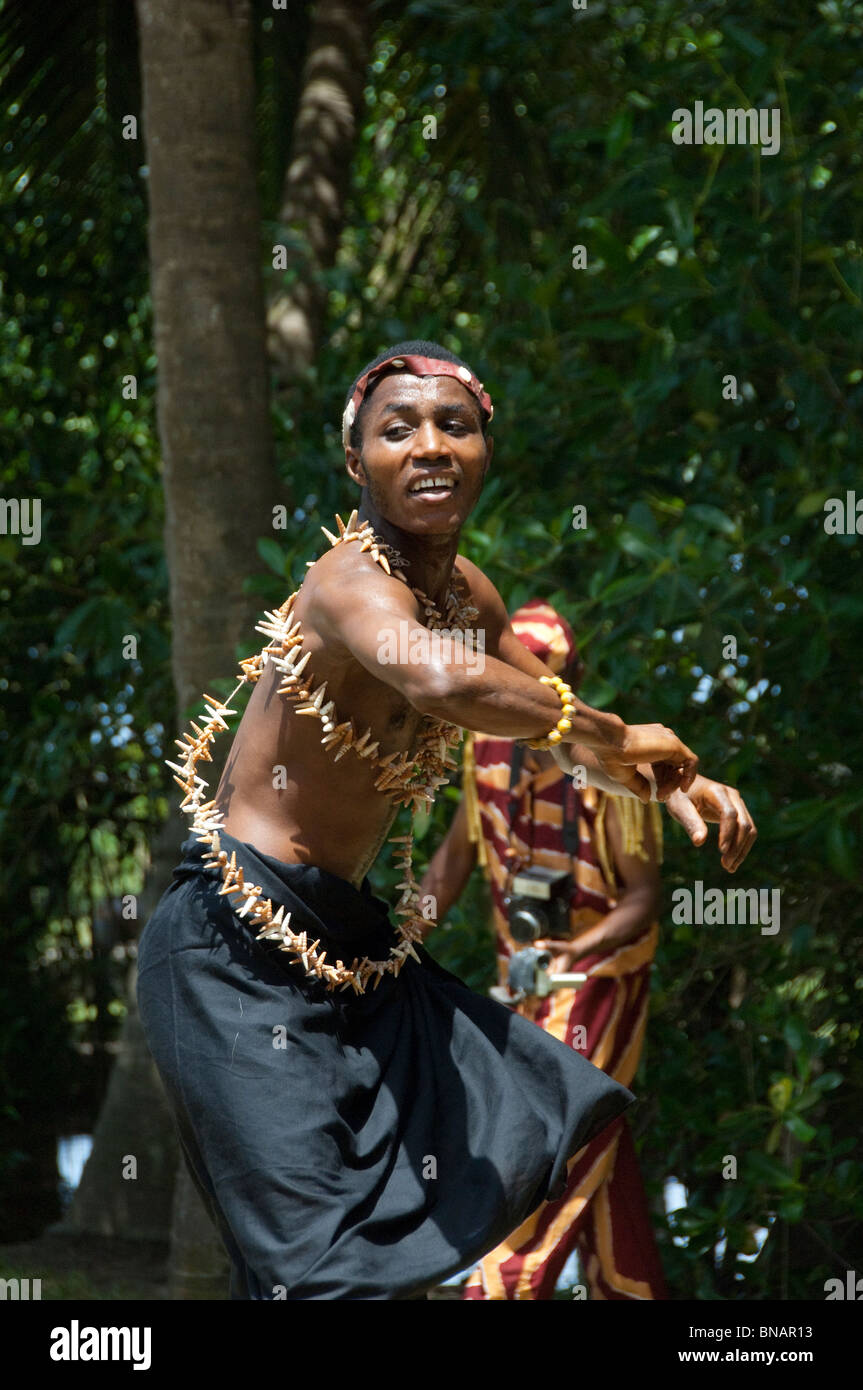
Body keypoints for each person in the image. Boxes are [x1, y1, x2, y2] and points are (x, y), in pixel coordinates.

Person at [136, 340, 757, 1300]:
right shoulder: (346, 583)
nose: (428, 447)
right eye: (398, 430)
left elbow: (551, 730)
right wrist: (618, 730)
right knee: (321, 1274)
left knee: (523, 1127)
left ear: (483, 450)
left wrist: (673, 784)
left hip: (356, 950)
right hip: (231, 949)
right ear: (357, 465)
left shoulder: (471, 599)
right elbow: (442, 677)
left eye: (452, 426)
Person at [420, 600, 692, 1298]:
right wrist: (396, 937)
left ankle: (495, 1290)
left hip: (599, 976)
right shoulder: (482, 750)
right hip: (526, 976)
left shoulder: (605, 762)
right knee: (593, 1139)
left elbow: (638, 900)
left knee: (548, 1132)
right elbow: (451, 863)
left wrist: (575, 952)